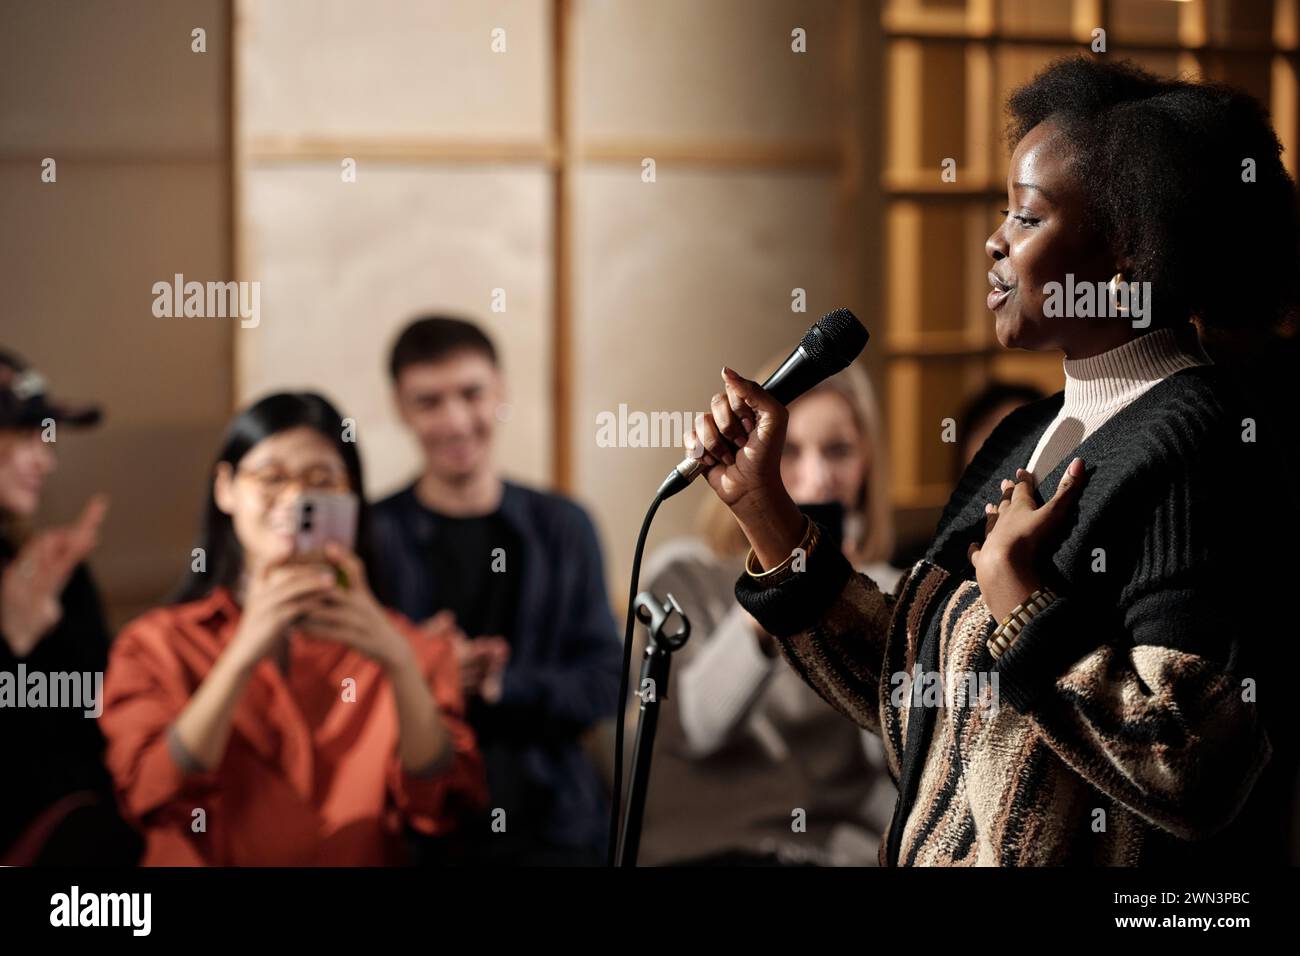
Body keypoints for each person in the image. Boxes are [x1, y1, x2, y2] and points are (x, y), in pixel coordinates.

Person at [683, 57, 1298, 865]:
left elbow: (1198, 765)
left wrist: (1028, 614)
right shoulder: (1026, 436)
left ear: (1128, 254)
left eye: (1028, 217)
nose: (993, 240)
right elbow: (909, 690)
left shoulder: (1202, 440)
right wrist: (766, 512)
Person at [99, 392, 486, 865]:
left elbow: (443, 805)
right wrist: (243, 653)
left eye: (321, 480)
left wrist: (400, 663)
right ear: (226, 488)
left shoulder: (407, 648)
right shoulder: (155, 644)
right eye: (271, 477)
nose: (296, 499)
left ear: (352, 500)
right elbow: (150, 792)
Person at [371, 316, 622, 866]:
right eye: (429, 401)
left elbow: (610, 682)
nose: (456, 420)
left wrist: (505, 683)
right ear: (400, 407)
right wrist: (427, 670)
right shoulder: (373, 536)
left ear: (500, 390)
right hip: (415, 826)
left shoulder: (564, 527)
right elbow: (345, 694)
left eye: (471, 393)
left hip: (556, 823)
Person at [638, 358, 900, 866]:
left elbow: (892, 759)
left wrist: (850, 602)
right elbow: (695, 730)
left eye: (839, 451)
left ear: (868, 463)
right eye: (791, 450)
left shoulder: (891, 590)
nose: (817, 478)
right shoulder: (685, 573)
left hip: (828, 854)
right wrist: (776, 586)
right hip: (708, 849)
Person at [0, 350, 142, 865]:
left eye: (47, 438)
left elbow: (98, 729)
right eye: (24, 438)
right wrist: (11, 641)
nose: (46, 460)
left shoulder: (58, 570)